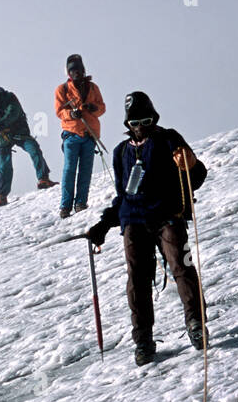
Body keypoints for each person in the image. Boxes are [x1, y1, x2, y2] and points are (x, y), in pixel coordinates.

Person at [86, 91, 208, 365]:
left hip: (169, 216)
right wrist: (104, 224)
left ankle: (196, 324)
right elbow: (123, 197)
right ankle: (143, 342)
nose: (141, 125)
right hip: (133, 222)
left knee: (181, 267)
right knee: (137, 282)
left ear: (155, 118)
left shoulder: (168, 139)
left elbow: (197, 177)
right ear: (127, 123)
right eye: (135, 121)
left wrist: (191, 165)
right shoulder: (120, 153)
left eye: (147, 119)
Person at [0, 87, 56, 206]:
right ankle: (2, 195)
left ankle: (43, 178)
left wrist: (2, 123)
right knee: (4, 165)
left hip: (20, 132)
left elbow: (14, 112)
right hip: (4, 138)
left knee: (34, 150)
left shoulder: (9, 98)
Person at [54, 54, 106, 218]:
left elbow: (102, 108)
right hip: (71, 134)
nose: (77, 72)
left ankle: (80, 203)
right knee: (69, 170)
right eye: (73, 70)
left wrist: (92, 108)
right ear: (68, 73)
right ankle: (66, 206)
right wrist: (72, 113)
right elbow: (60, 112)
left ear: (83, 70)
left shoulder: (93, 87)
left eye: (79, 69)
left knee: (85, 171)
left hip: (90, 135)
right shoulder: (62, 89)